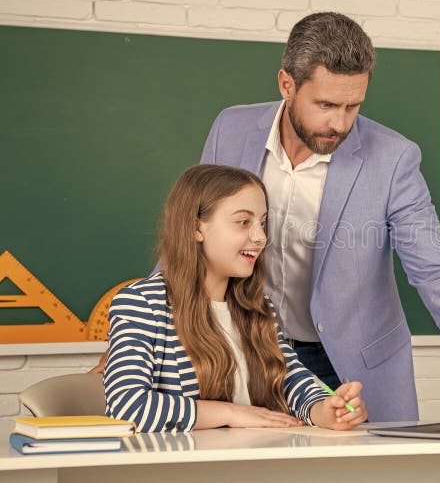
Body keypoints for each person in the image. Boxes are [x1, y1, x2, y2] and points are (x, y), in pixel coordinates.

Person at [196, 12, 440, 422]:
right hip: (252, 354)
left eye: (353, 106)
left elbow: (434, 264)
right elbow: (193, 232)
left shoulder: (392, 158)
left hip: (354, 366)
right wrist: (145, 331)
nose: (339, 123)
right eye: (326, 105)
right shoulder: (231, 130)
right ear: (286, 84)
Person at [103, 164, 367, 433]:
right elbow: (127, 407)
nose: (260, 237)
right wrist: (231, 413)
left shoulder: (258, 306)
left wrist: (323, 409)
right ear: (195, 227)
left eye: (262, 223)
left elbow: (290, 378)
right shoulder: (141, 304)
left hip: (259, 456)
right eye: (243, 222)